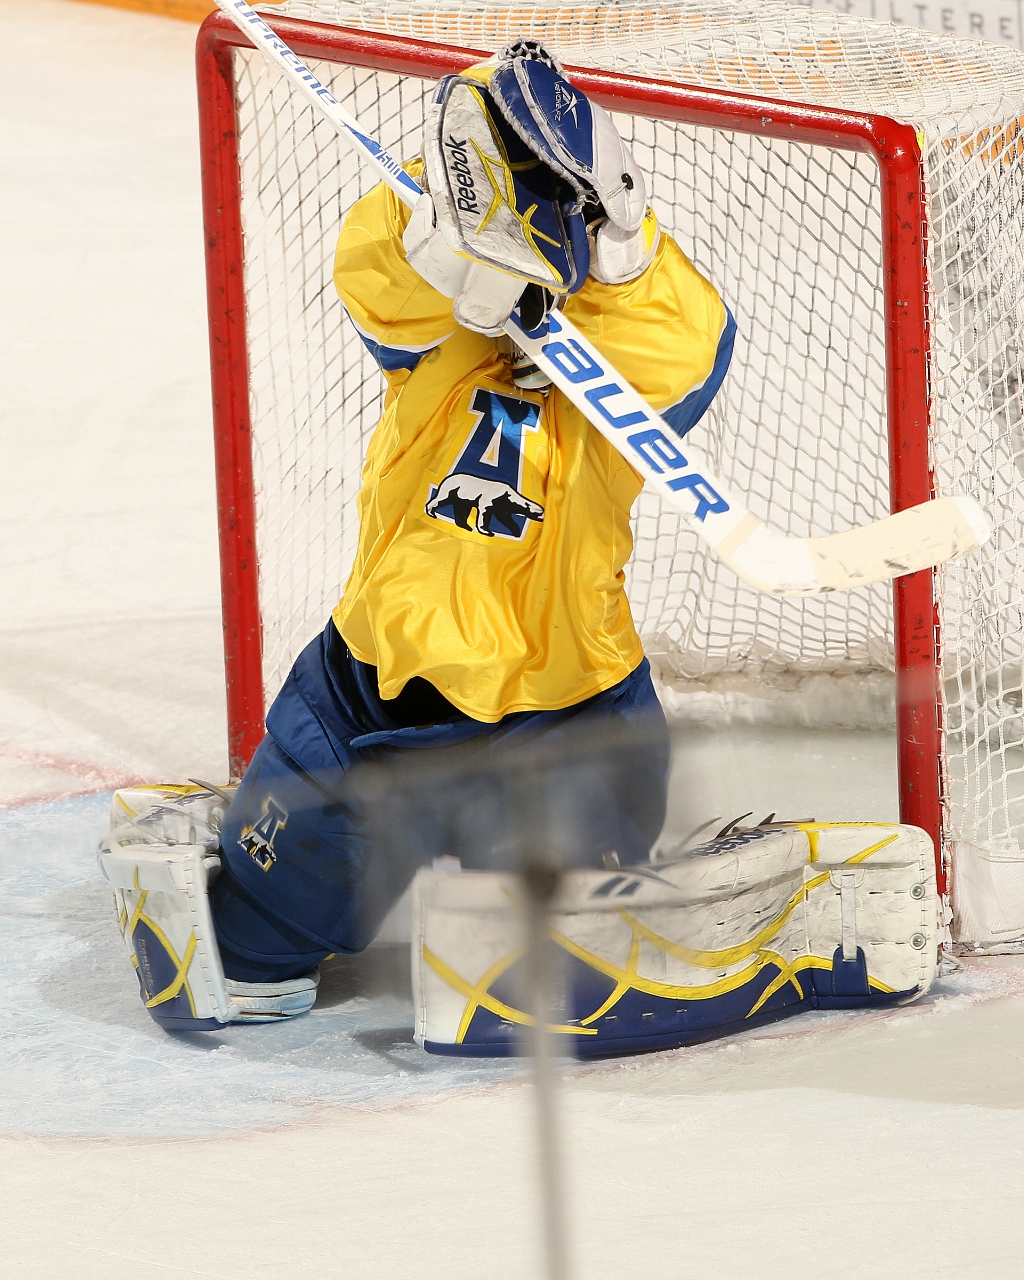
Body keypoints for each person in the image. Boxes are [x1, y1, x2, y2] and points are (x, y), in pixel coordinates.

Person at [100, 40, 734, 1033]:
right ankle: (277, 866)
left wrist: (620, 250)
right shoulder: (431, 318)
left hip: (560, 722)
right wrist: (448, 240)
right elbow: (377, 270)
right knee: (224, 971)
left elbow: (688, 350)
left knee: (550, 992)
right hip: (366, 694)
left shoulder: (621, 361)